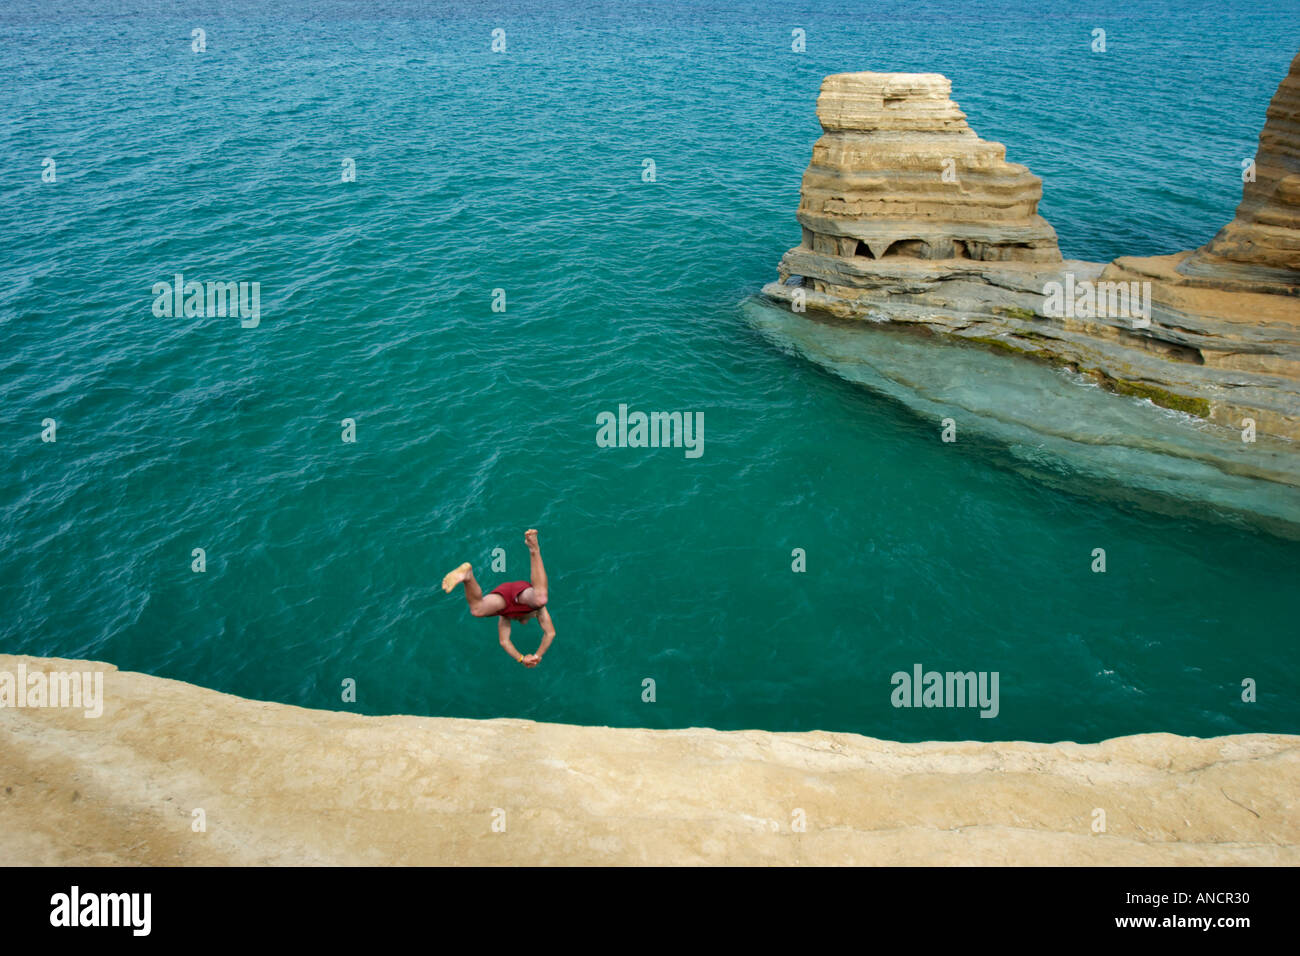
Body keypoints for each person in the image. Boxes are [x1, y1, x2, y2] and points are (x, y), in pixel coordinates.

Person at [442, 528, 555, 668]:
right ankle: (534, 549)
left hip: (506, 599)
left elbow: (504, 641)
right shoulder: (539, 611)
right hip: (521, 593)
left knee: (477, 610)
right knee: (540, 599)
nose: (522, 622)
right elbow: (550, 633)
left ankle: (467, 576)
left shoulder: (505, 616)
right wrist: (537, 656)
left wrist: (522, 659)